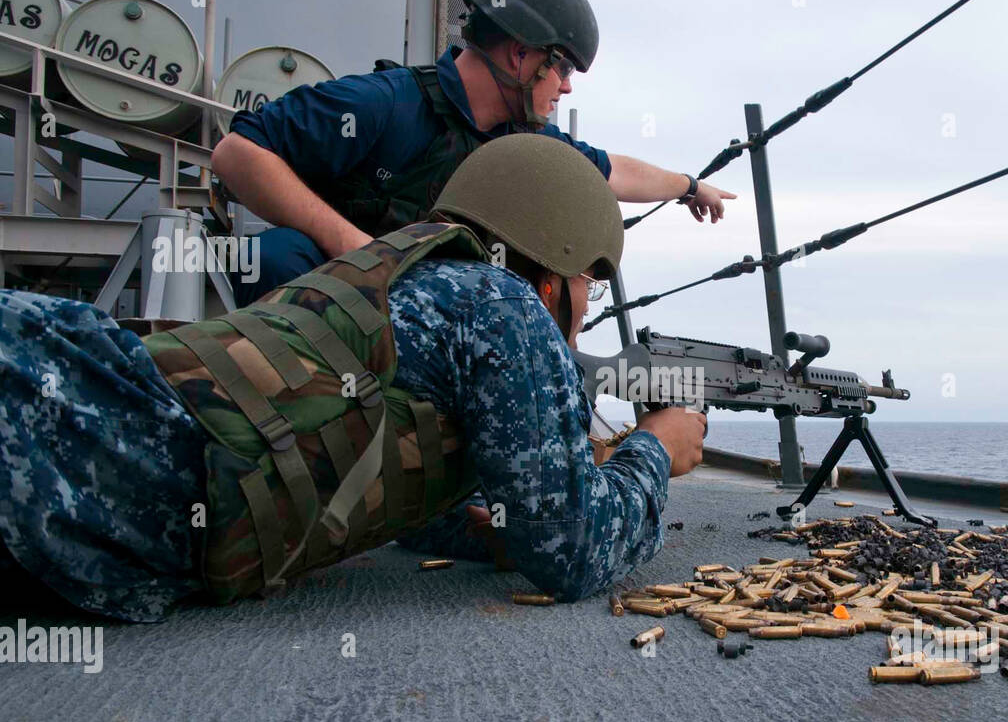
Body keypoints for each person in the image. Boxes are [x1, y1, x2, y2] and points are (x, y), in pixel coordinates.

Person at [0, 134, 707, 622]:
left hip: (75, 428)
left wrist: (496, 529)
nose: (585, 308)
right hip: (74, 429)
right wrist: (657, 448)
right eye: (589, 283)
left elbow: (382, 491)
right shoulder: (505, 303)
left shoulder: (399, 284)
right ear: (552, 275)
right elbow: (574, 554)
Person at [211, 0, 735, 306]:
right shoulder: (383, 103)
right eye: (564, 69)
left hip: (418, 313)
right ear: (521, 53)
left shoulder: (521, 146)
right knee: (274, 256)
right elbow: (236, 154)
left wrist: (689, 186)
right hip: (333, 300)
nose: (567, 89)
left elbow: (611, 172)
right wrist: (354, 246)